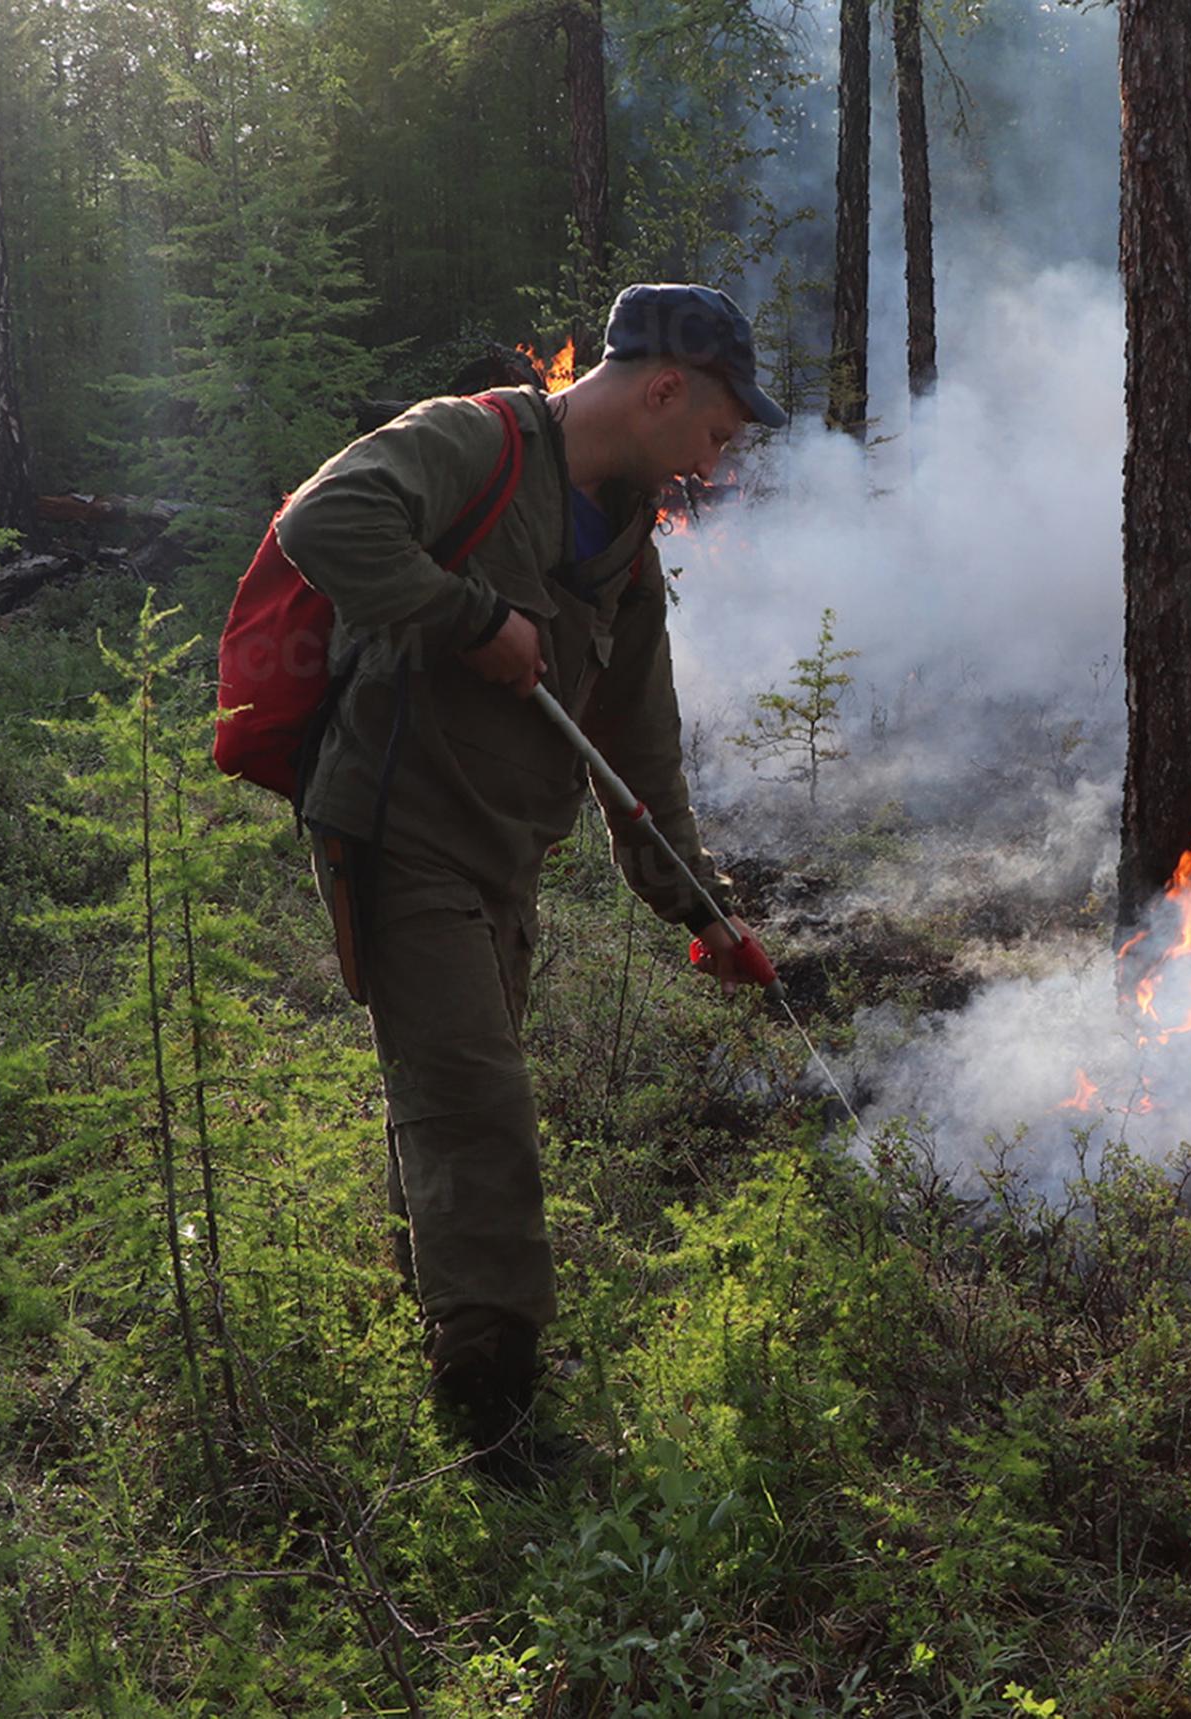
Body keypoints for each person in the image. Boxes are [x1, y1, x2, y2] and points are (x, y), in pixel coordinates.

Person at [272, 283, 789, 1480]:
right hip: (399, 833)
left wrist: (699, 908)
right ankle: (495, 1421)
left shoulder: (628, 543)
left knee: (454, 1098)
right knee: (480, 1107)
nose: (714, 461)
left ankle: (449, 1336)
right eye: (716, 431)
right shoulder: (474, 440)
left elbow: (640, 753)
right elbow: (321, 524)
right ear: (663, 388)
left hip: (505, 856)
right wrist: (468, 617)